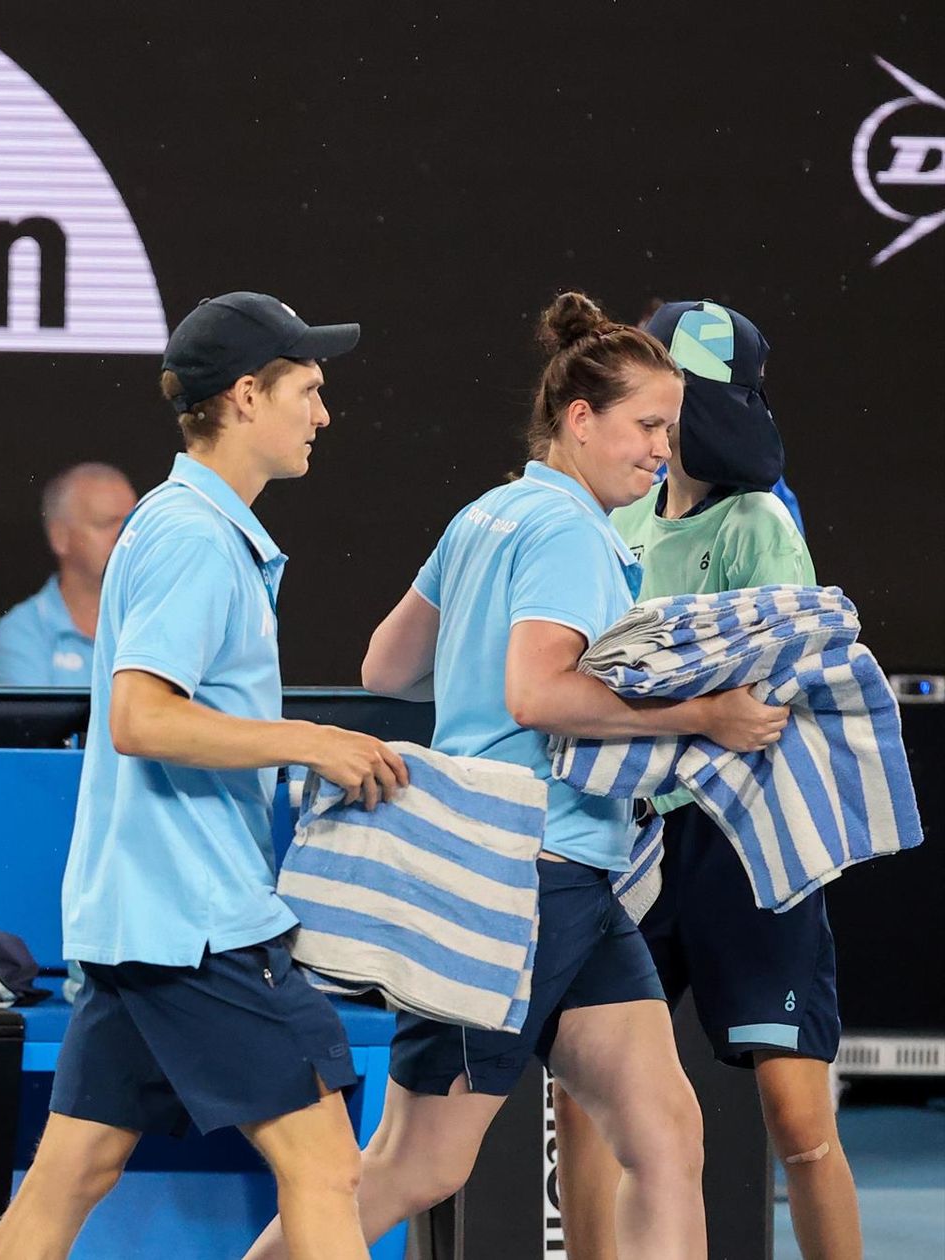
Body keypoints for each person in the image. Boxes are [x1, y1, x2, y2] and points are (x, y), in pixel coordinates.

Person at [246, 293, 789, 1260]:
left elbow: (387, 668)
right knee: (416, 1168)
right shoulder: (575, 533)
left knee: (666, 1131)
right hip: (515, 882)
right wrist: (707, 714)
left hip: (571, 875)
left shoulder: (489, 512)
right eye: (647, 426)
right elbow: (539, 695)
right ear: (580, 419)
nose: (664, 447)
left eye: (669, 427)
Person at [0, 294, 402, 1260]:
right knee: (327, 1166)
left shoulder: (182, 527)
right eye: (309, 389)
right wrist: (310, 741)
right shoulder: (190, 538)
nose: (324, 413)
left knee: (70, 1174)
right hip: (195, 925)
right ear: (248, 397)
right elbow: (141, 719)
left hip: (144, 920)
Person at [552, 302, 859, 1260]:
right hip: (631, 833)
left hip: (747, 841)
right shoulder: (608, 512)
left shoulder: (764, 519)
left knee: (796, 1117)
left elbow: (794, 680)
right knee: (590, 1089)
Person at [0, 462, 136, 686]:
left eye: (134, 523)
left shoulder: (162, 615)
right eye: (106, 524)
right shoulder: (23, 632)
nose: (126, 536)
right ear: (60, 537)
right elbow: (30, 721)